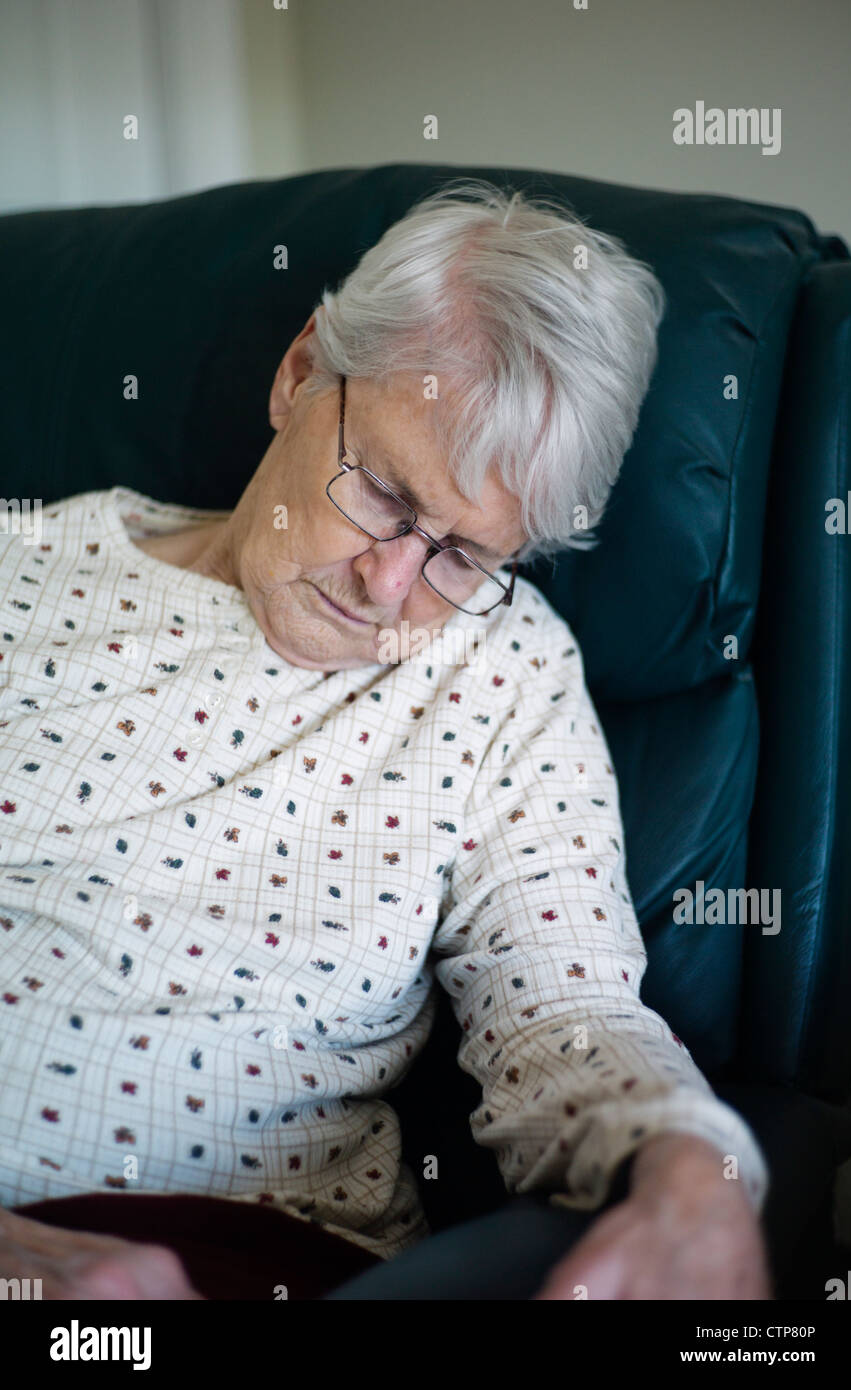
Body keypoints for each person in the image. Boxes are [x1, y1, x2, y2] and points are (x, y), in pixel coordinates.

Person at [0, 179, 770, 1300]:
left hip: (253, 1262)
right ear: (302, 370)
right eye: (384, 494)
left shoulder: (501, 673)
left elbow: (568, 1014)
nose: (390, 586)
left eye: (462, 556)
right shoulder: (22, 573)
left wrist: (689, 1175)